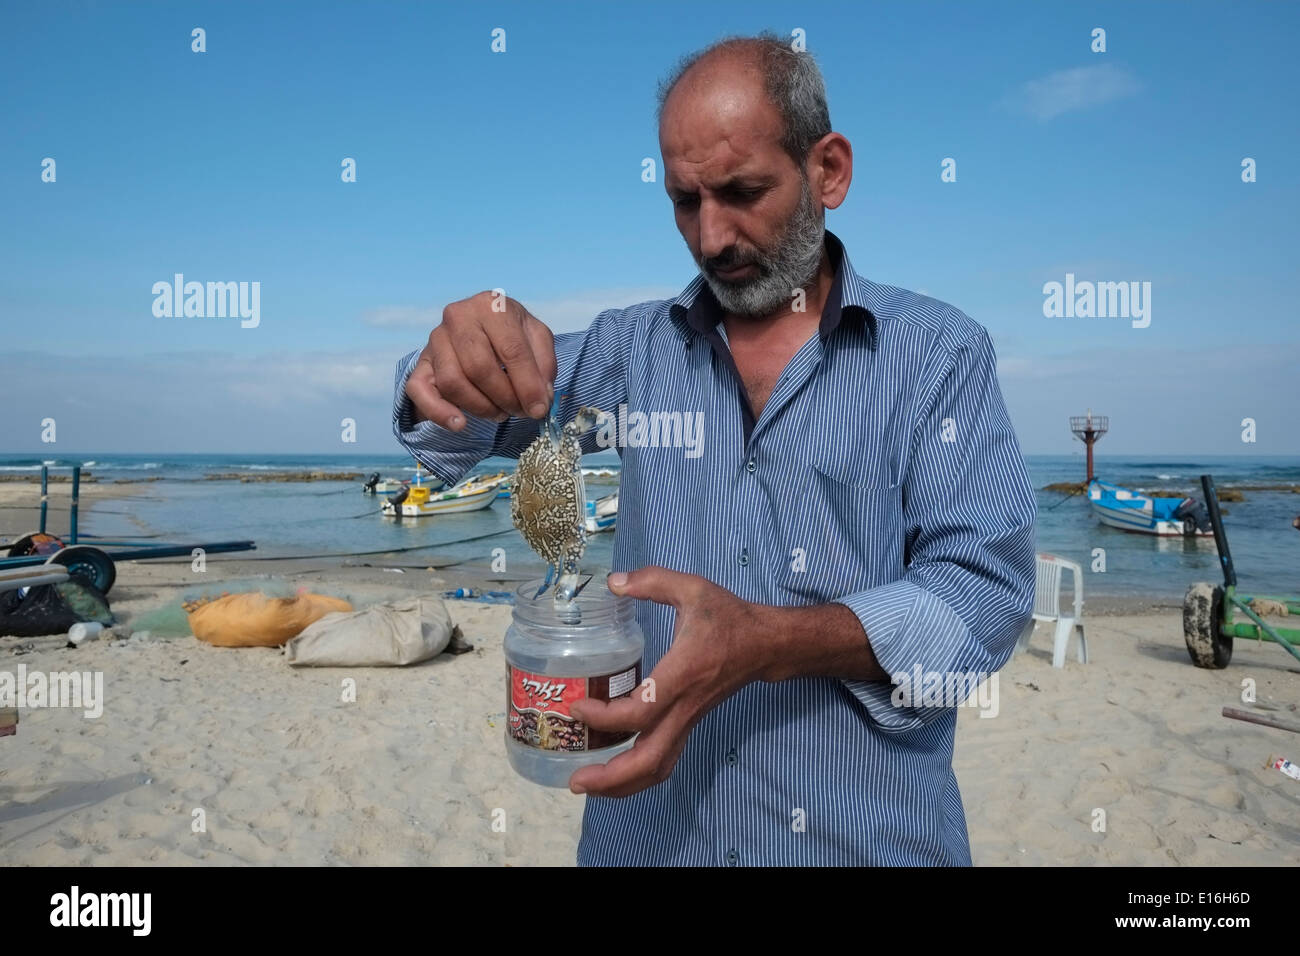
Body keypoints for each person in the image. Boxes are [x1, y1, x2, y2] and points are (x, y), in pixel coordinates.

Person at [393, 33, 1036, 865]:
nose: (711, 236)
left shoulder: (937, 354)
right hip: (648, 841)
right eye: (684, 200)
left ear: (829, 170)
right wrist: (451, 361)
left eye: (742, 191)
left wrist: (769, 640)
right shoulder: (631, 352)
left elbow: (985, 601)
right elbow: (470, 423)